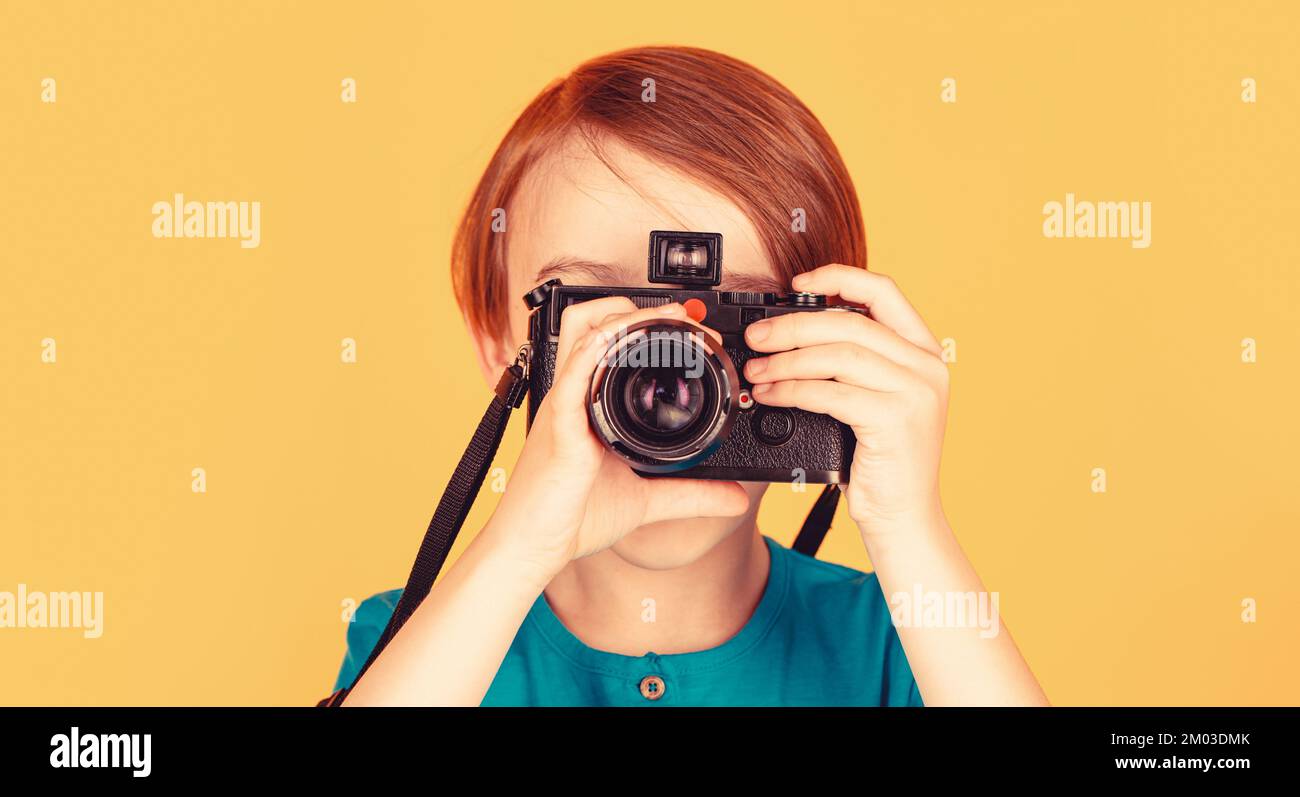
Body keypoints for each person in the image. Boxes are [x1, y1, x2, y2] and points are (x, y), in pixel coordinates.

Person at [330, 46, 1048, 706]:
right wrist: (517, 548)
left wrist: (909, 526)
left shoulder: (912, 639)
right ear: (503, 347)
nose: (670, 373)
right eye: (596, 314)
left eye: (734, 323)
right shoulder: (419, 643)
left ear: (838, 346)